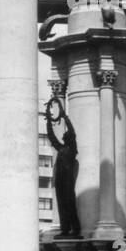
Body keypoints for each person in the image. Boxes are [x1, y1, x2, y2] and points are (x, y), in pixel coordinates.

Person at [45, 97, 81, 237]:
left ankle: (75, 229)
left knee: (70, 205)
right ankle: (65, 228)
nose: (66, 135)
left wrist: (65, 116)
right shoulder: (61, 149)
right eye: (65, 135)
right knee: (62, 206)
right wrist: (49, 121)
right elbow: (51, 136)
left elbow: (72, 132)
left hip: (68, 182)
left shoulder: (72, 149)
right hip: (60, 181)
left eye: (67, 135)